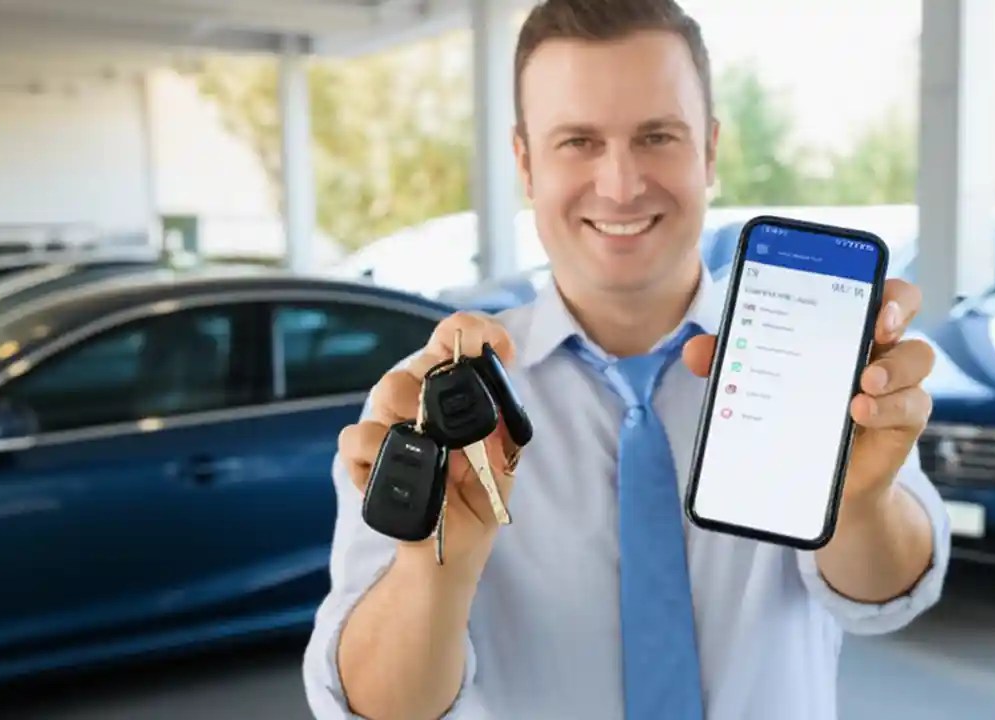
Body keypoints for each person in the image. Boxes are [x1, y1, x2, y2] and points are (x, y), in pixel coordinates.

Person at [303, 1, 950, 718]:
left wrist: (859, 505)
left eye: (657, 136)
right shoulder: (433, 409)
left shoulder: (806, 354)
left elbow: (884, 596)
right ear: (525, 162)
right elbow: (377, 708)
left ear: (708, 150)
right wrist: (432, 575)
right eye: (578, 140)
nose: (619, 184)